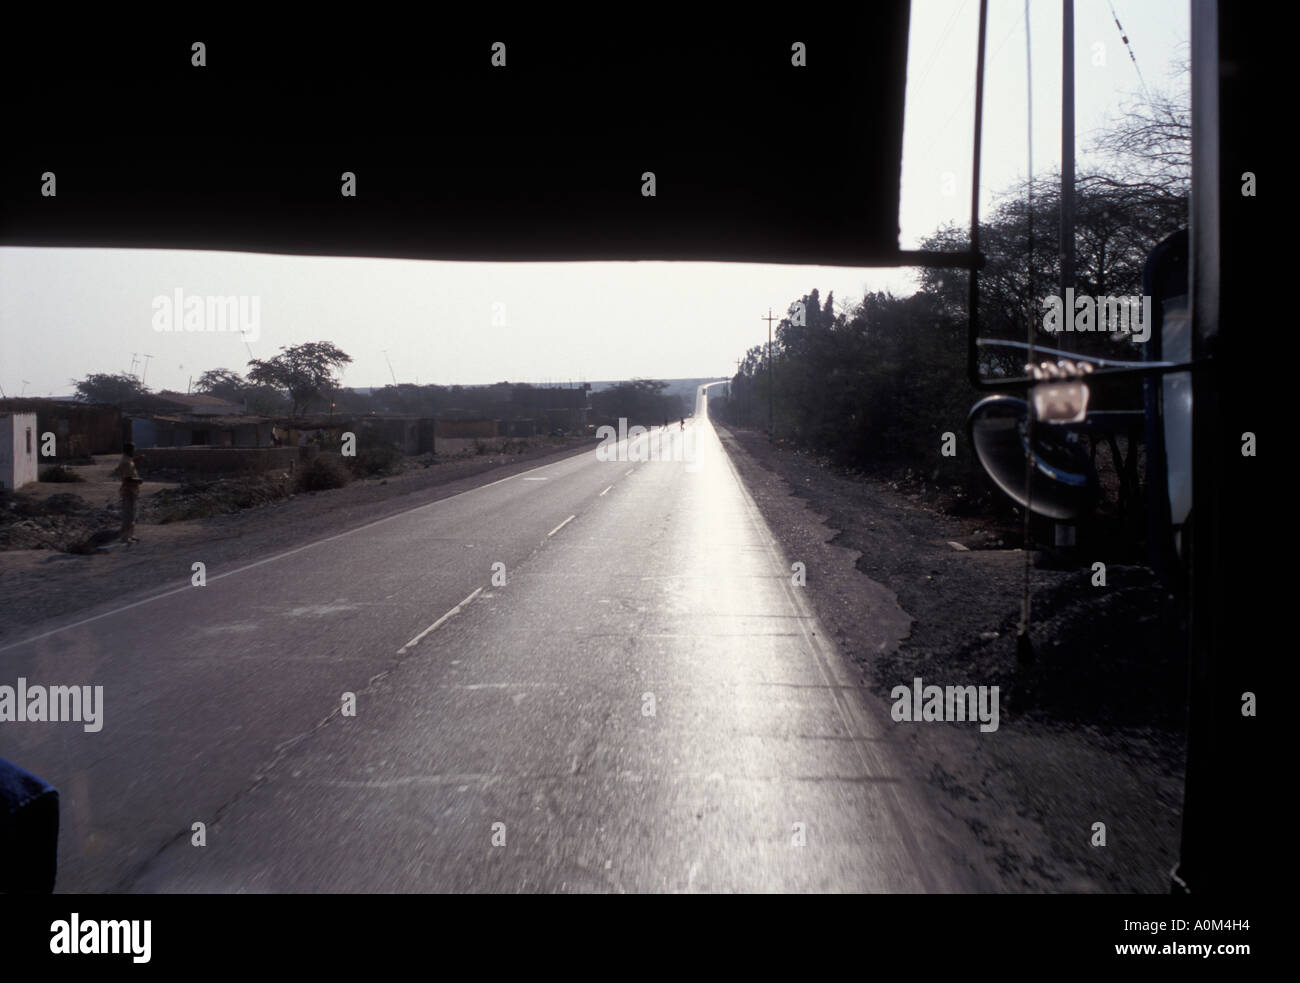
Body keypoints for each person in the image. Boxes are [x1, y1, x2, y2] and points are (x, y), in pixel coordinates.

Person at [111, 442, 144, 543]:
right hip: (129, 490)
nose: (134, 452)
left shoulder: (127, 459)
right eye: (133, 450)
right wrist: (139, 481)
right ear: (129, 450)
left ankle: (130, 535)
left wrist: (136, 459)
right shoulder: (126, 462)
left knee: (132, 514)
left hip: (131, 490)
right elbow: (127, 479)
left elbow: (129, 463)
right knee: (128, 515)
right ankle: (125, 537)